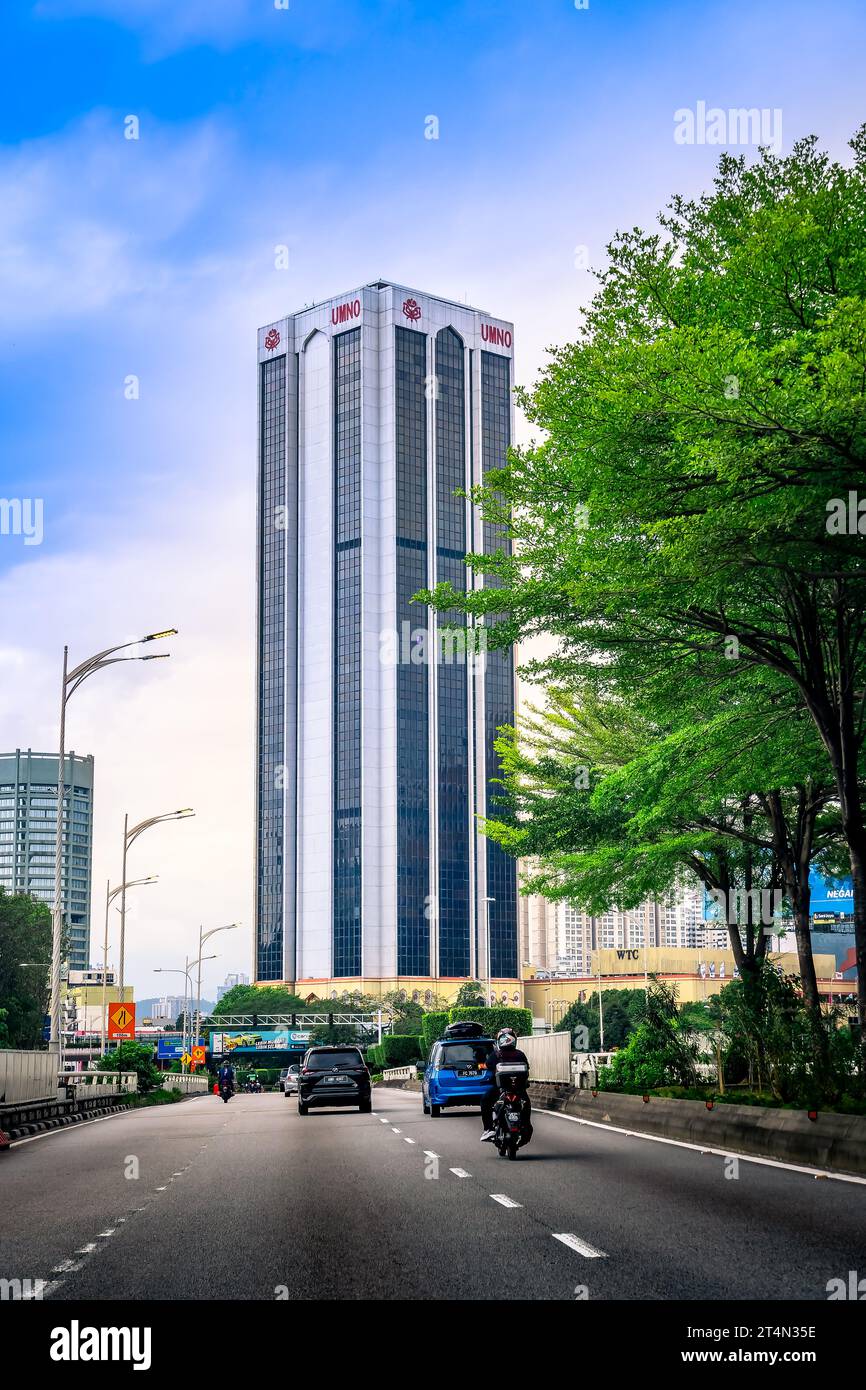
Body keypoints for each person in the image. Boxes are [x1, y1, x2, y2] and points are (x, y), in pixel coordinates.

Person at [480, 1028, 532, 1143]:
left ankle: (488, 1129)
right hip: (519, 1090)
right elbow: (527, 1068)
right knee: (526, 1106)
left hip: (501, 1090)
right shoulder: (520, 1054)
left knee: (485, 1101)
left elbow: (488, 1065)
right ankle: (526, 1126)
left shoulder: (496, 1054)